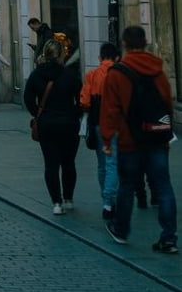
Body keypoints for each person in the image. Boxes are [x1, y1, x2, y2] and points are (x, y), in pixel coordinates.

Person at [101, 24, 180, 252]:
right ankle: (169, 237)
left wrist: (107, 139)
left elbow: (110, 110)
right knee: (163, 186)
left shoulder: (117, 73)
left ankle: (121, 229)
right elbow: (167, 103)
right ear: (145, 43)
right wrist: (166, 131)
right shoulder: (158, 71)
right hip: (157, 137)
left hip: (130, 139)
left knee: (127, 185)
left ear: (124, 44)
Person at [23, 33, 84, 213]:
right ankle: (68, 198)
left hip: (47, 123)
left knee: (51, 164)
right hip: (68, 123)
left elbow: (28, 98)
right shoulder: (70, 75)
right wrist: (75, 113)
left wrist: (38, 113)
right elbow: (81, 99)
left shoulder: (36, 74)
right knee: (68, 163)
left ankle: (56, 203)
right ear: (61, 54)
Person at [79, 42, 124, 213]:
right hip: (117, 124)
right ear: (117, 58)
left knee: (102, 164)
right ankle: (111, 199)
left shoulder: (92, 75)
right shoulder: (121, 74)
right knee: (114, 162)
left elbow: (84, 101)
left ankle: (106, 198)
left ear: (99, 58)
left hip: (98, 123)